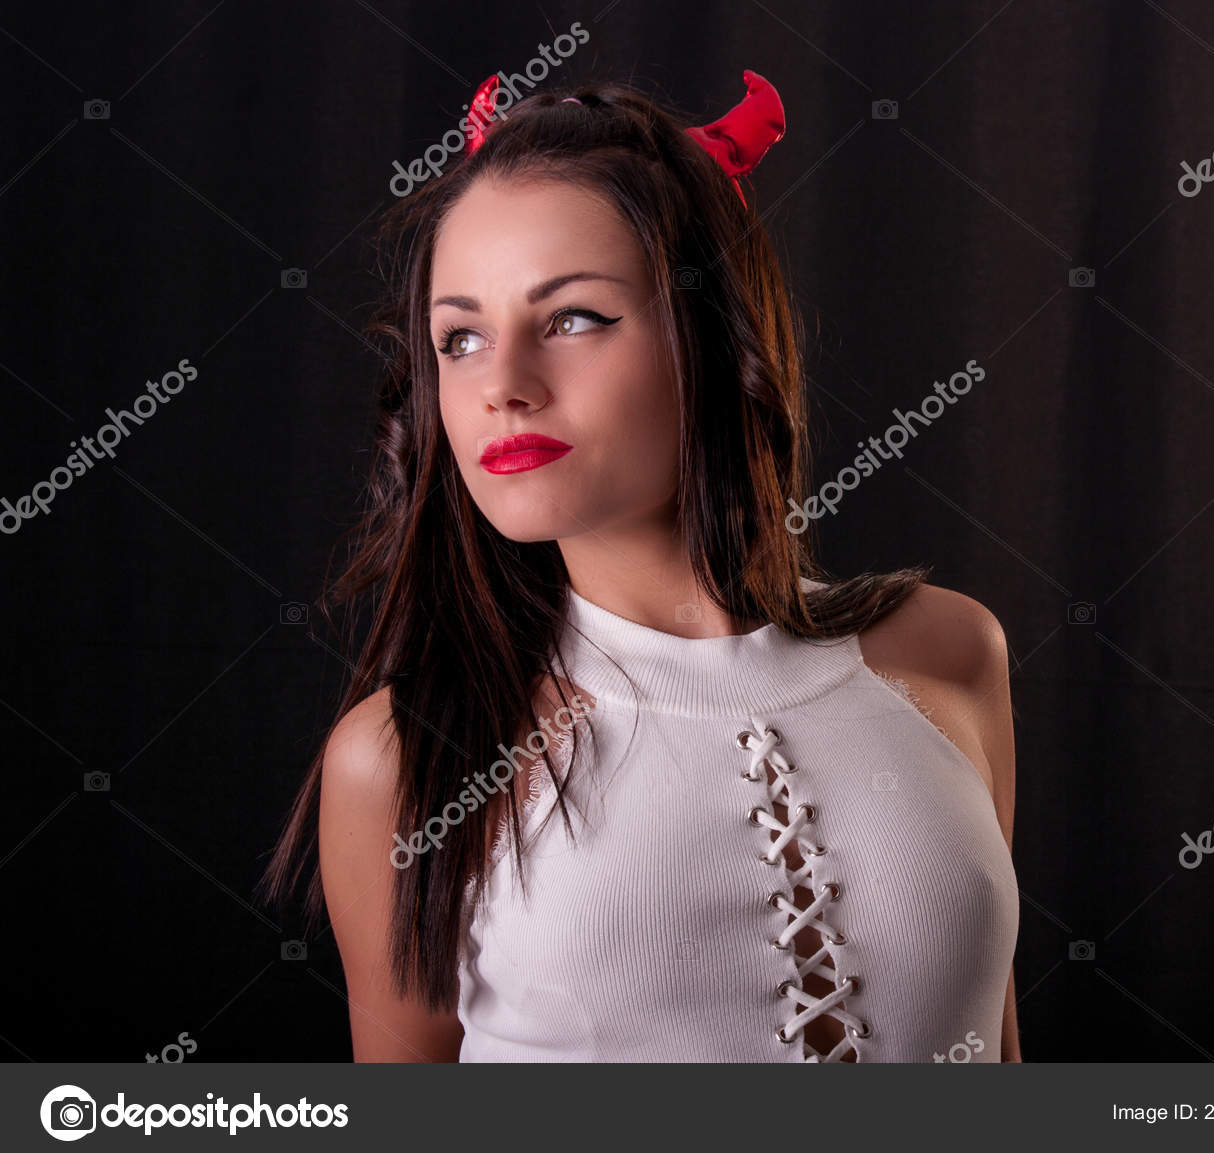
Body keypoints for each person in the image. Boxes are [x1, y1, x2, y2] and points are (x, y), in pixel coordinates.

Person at [261, 70, 1020, 1063]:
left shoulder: (949, 654)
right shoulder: (407, 759)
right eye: (460, 336)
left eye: (572, 316)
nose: (503, 385)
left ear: (713, 331)